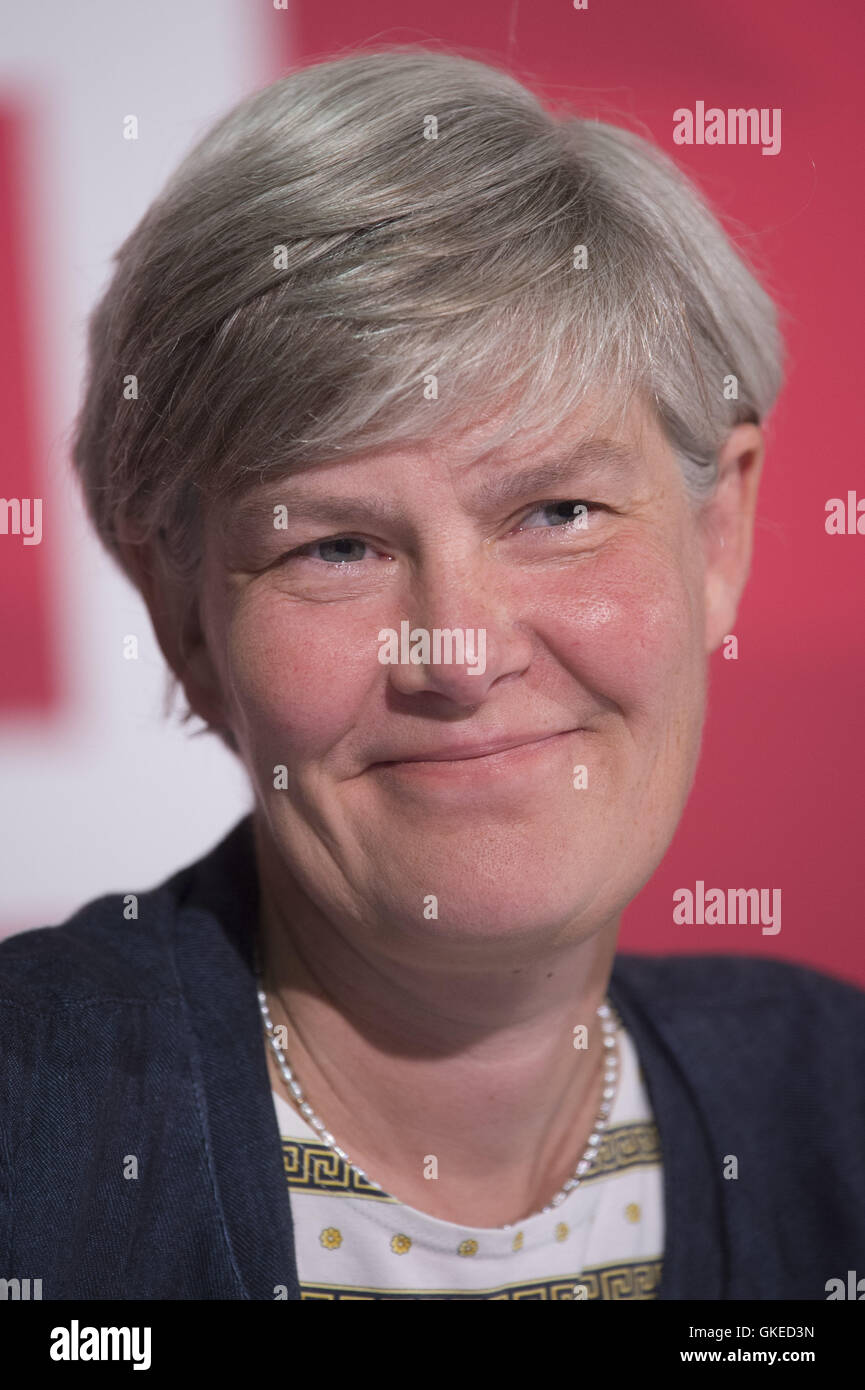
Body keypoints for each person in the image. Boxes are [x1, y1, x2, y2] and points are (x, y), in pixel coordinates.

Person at [2, 46, 863, 1302]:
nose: (459, 652)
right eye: (336, 546)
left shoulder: (834, 1099)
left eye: (558, 511)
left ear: (716, 535)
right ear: (181, 612)